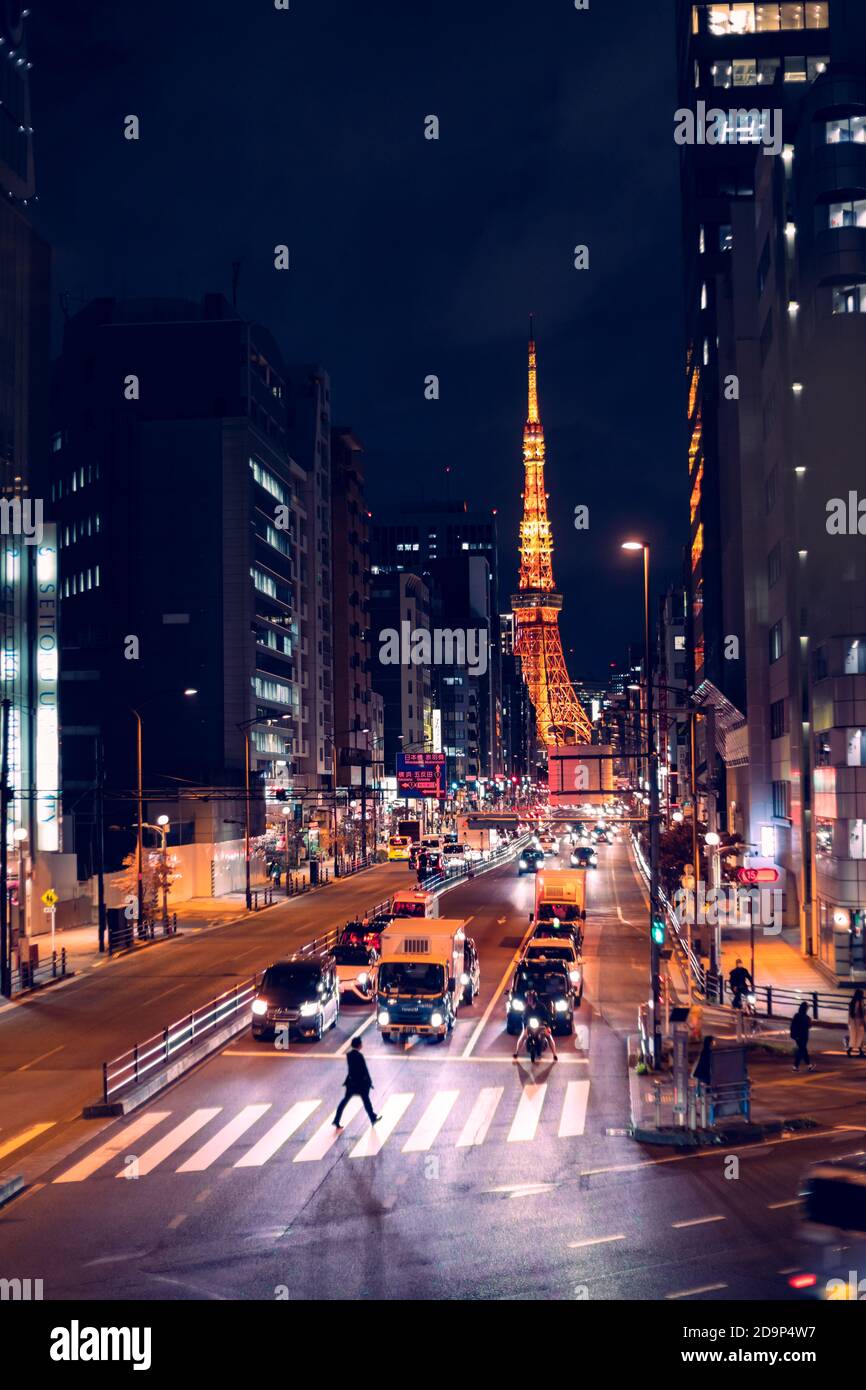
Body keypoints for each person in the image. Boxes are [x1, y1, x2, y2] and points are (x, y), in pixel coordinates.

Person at [333, 1037, 380, 1128]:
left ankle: (336, 1120)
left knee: (344, 1102)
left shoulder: (349, 1055)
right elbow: (364, 1070)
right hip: (360, 1084)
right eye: (361, 1043)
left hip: (351, 1082)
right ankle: (372, 1118)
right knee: (366, 1101)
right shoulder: (359, 1056)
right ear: (359, 1045)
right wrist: (369, 1082)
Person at [513, 986, 558, 1061]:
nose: (529, 999)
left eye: (530, 998)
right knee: (523, 1036)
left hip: (541, 1026)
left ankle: (554, 1054)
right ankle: (516, 1052)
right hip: (530, 1026)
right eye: (528, 998)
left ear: (534, 998)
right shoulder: (527, 1008)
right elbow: (524, 1018)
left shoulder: (541, 1006)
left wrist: (548, 1026)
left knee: (549, 1036)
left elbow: (547, 1017)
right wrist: (524, 1028)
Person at [791, 1002, 815, 1072]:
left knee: (803, 1050)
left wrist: (793, 1035)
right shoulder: (806, 1018)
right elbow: (809, 1026)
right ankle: (795, 1066)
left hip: (797, 1036)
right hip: (804, 1036)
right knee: (802, 1050)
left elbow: (793, 1026)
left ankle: (809, 1065)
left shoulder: (796, 1015)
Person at [848, 988, 866, 1057]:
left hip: (853, 1022)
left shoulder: (852, 1002)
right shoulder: (860, 1002)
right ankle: (859, 1051)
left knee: (854, 1036)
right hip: (858, 1021)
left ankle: (852, 1050)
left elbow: (850, 1013)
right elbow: (861, 1013)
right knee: (859, 1036)